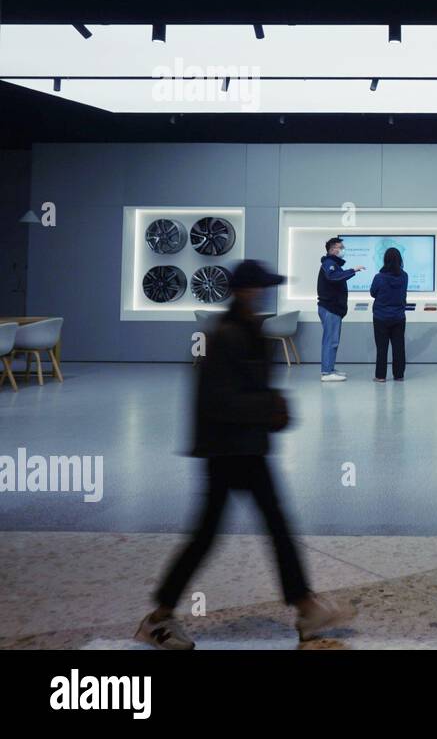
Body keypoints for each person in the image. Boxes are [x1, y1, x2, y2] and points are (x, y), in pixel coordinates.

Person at [136, 260, 354, 649]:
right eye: (258, 288)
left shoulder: (246, 330)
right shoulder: (228, 335)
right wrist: (269, 408)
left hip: (245, 447)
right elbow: (218, 401)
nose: (263, 294)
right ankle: (158, 618)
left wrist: (268, 408)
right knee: (217, 534)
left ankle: (305, 606)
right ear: (242, 290)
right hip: (228, 451)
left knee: (268, 527)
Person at [317, 236, 364, 382]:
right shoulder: (329, 263)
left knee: (332, 340)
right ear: (332, 250)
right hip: (330, 308)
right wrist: (353, 270)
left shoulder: (333, 264)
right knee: (330, 340)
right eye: (340, 247)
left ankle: (330, 368)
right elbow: (334, 277)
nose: (343, 250)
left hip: (333, 308)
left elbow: (337, 277)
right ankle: (326, 372)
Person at [369, 247, 409, 382]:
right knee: (399, 347)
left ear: (385, 260)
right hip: (399, 316)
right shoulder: (404, 276)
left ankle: (380, 376)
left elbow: (373, 293)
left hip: (381, 317)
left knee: (382, 347)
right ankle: (399, 375)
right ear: (400, 260)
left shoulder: (379, 277)